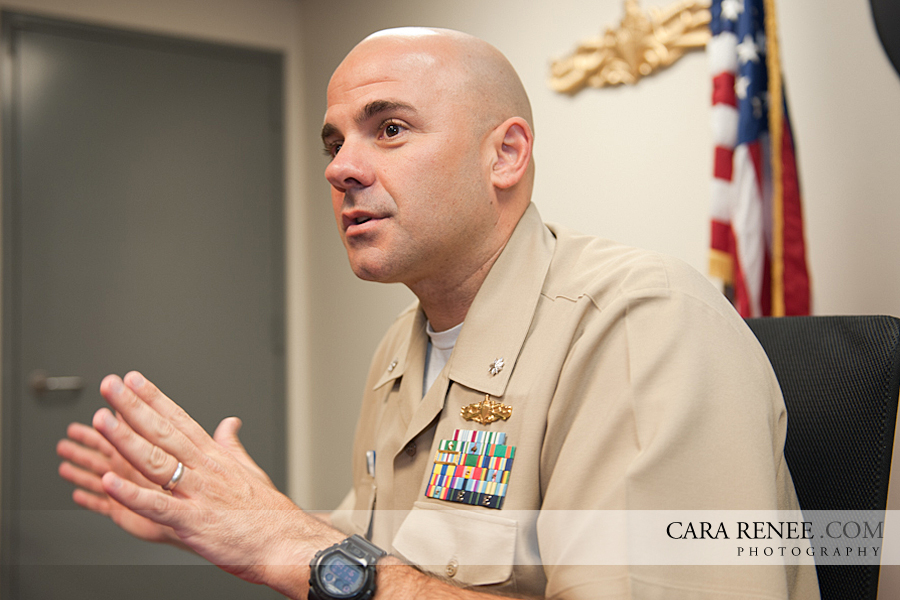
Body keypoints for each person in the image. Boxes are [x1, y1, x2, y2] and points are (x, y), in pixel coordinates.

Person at [57, 27, 819, 599]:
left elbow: (351, 571)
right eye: (334, 143)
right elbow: (388, 552)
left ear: (505, 155)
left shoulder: (638, 326)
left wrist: (292, 548)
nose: (340, 168)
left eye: (389, 129)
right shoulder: (404, 346)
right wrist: (239, 515)